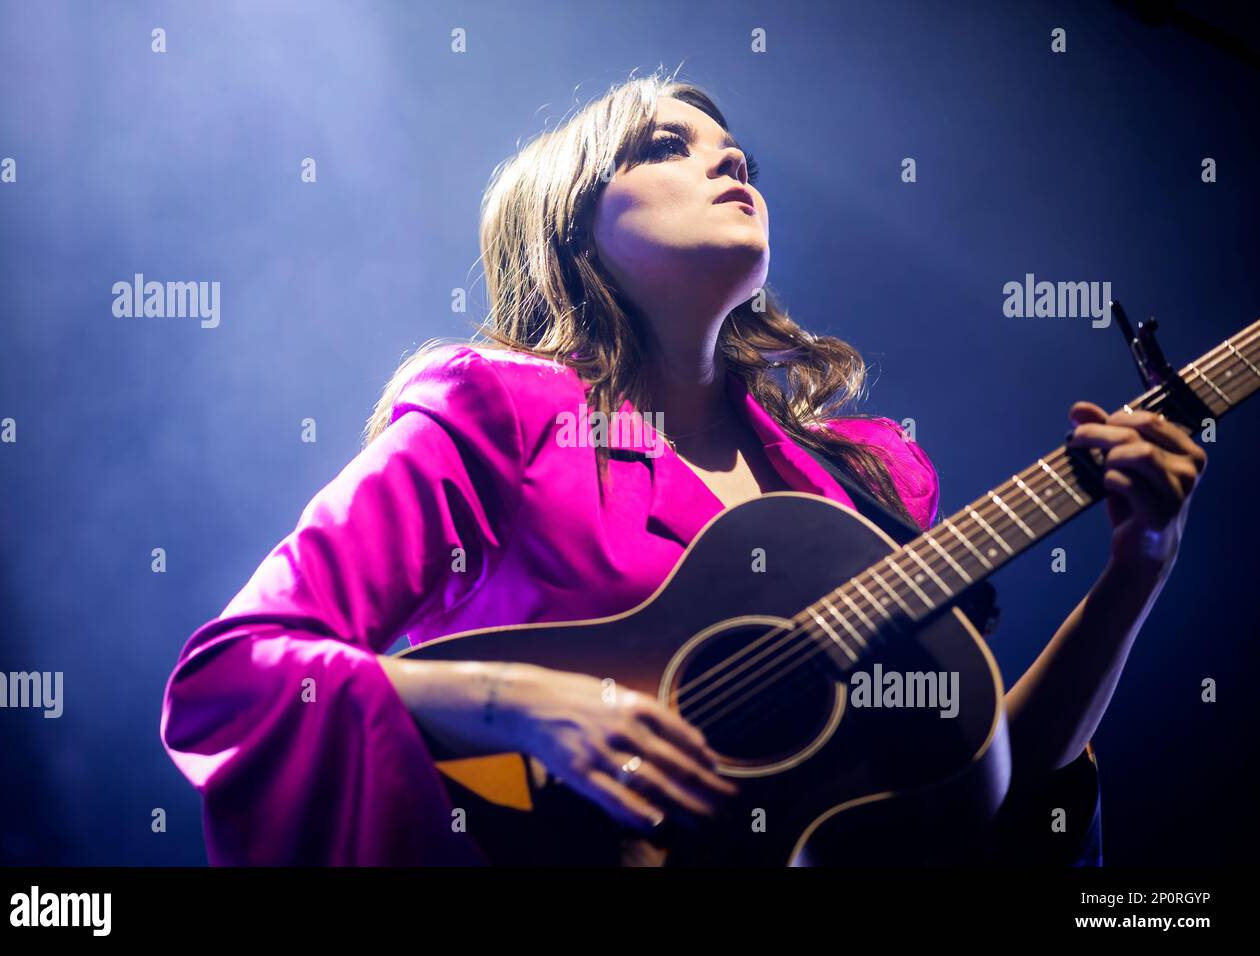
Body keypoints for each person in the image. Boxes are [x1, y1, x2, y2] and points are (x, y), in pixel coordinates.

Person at [159, 70, 1207, 866]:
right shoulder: (493, 410)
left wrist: (1132, 574)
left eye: (736, 148)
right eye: (668, 146)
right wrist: (509, 700)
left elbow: (973, 782)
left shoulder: (856, 486)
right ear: (573, 229)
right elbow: (231, 680)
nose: (731, 161)